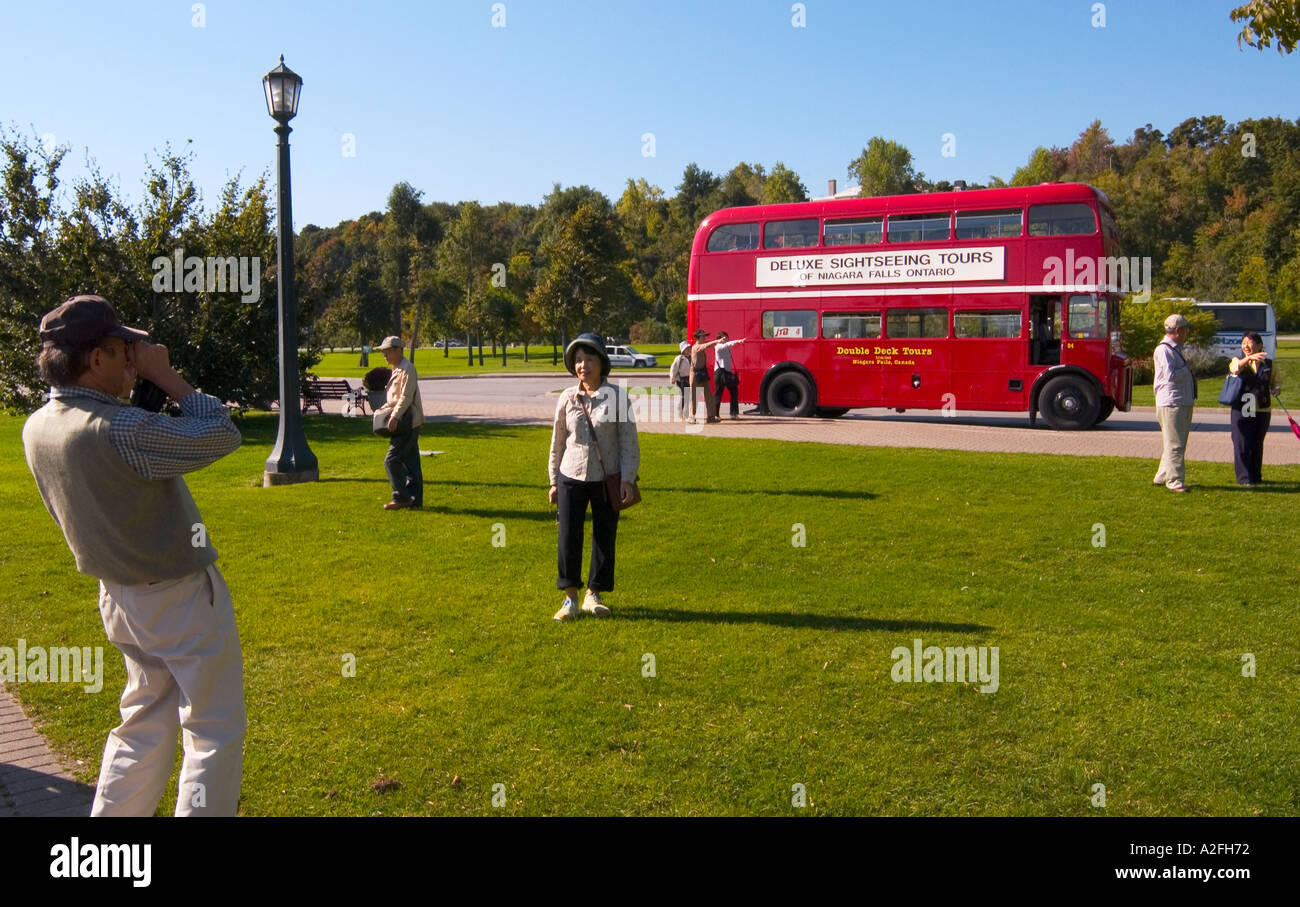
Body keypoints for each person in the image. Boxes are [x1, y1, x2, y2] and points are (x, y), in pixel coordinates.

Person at [21, 295, 245, 816]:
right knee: (212, 729)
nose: (131, 361)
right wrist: (168, 378)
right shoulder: (119, 429)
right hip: (179, 595)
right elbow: (221, 432)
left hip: (118, 595)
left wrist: (137, 384)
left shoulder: (40, 426)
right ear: (95, 359)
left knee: (142, 722)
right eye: (123, 350)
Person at [548, 333, 640, 621]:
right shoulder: (566, 397)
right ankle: (570, 599)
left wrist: (627, 479)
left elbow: (628, 441)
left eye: (589, 359)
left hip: (606, 478)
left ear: (602, 363)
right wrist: (553, 480)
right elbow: (558, 441)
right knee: (568, 537)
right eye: (577, 360)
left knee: (604, 536)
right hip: (570, 476)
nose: (582, 365)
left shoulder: (617, 397)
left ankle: (593, 594)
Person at [376, 335, 423, 510]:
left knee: (391, 460)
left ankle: (402, 497)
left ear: (398, 350)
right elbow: (394, 398)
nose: (385, 356)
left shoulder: (408, 369)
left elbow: (406, 397)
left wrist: (394, 417)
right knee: (411, 465)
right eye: (383, 353)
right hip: (404, 421)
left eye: (387, 351)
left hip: (406, 422)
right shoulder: (397, 369)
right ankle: (415, 502)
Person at [1227, 331, 1279, 486]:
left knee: (1257, 444)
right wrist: (1248, 359)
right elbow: (1235, 369)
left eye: (1249, 343)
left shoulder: (1269, 364)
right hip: (1241, 409)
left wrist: (1276, 389)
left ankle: (1256, 476)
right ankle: (1244, 479)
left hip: (1262, 410)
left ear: (1259, 345)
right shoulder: (1238, 360)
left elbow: (1276, 381)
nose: (1246, 346)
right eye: (1244, 343)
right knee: (1241, 443)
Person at [1152, 314, 1196, 493]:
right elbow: (1170, 376)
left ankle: (1162, 475)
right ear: (1178, 330)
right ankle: (1175, 480)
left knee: (1175, 442)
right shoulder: (1164, 350)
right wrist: (1187, 368)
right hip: (1172, 402)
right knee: (1175, 444)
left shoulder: (1175, 349)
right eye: (1185, 329)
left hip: (1182, 400)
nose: (1187, 332)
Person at [688, 329, 722, 424]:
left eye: (705, 336)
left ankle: (711, 416)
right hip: (695, 374)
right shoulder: (696, 347)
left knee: (709, 396)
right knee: (694, 396)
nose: (704, 337)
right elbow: (705, 346)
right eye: (702, 336)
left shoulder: (700, 347)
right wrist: (717, 341)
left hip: (703, 373)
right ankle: (691, 416)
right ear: (697, 338)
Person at [711, 331, 747, 419]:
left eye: (726, 337)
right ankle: (715, 414)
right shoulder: (718, 347)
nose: (726, 339)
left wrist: (737, 342)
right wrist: (738, 341)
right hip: (719, 372)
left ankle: (734, 413)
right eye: (723, 338)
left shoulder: (727, 347)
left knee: (734, 391)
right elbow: (726, 345)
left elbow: (728, 345)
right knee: (718, 393)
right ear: (718, 339)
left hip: (727, 372)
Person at [669, 340, 692, 416]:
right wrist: (672, 378)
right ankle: (680, 411)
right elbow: (674, 368)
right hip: (681, 380)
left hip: (688, 379)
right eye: (687, 348)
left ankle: (686, 412)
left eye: (689, 348)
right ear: (683, 350)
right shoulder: (679, 358)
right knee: (682, 396)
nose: (689, 349)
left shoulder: (691, 358)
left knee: (688, 396)